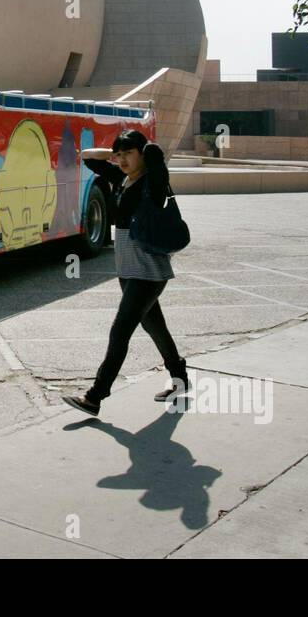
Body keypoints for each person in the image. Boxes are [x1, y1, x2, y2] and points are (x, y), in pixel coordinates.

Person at [63, 129, 187, 416]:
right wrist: (116, 154)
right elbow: (88, 159)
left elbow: (155, 155)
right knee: (155, 326)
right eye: (119, 154)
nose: (122, 160)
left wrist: (141, 152)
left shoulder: (152, 184)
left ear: (142, 154)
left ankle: (95, 396)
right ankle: (181, 379)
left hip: (148, 272)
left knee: (120, 332)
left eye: (129, 154)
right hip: (127, 270)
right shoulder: (123, 180)